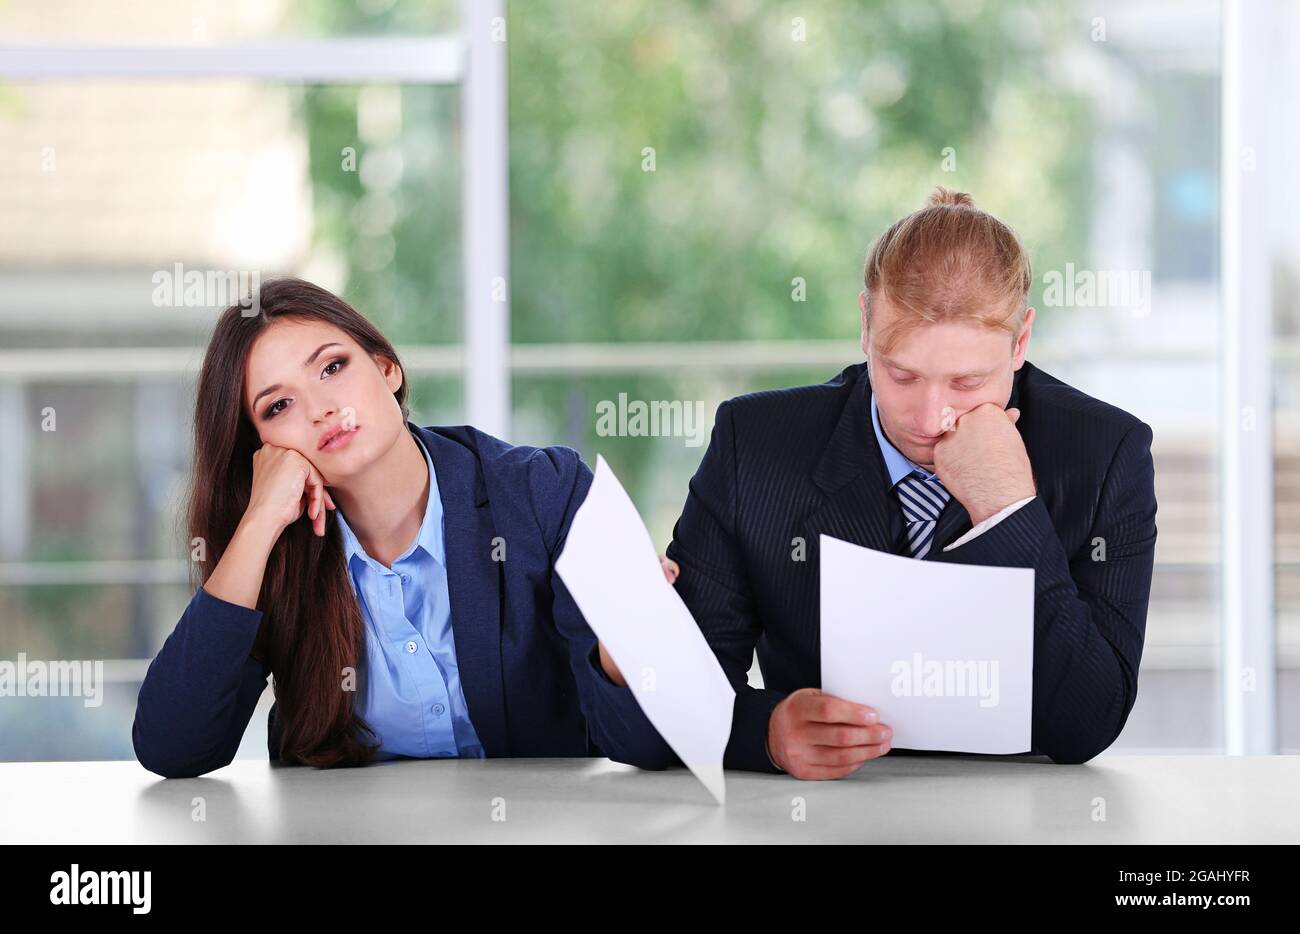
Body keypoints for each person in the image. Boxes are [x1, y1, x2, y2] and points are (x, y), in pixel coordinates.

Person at [665, 187, 1159, 779]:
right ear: (866, 327)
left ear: (1020, 343)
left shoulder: (1106, 456)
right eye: (901, 374)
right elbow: (672, 692)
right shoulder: (757, 444)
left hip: (1022, 815)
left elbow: (1090, 720)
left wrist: (1007, 510)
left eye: (968, 382)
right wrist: (765, 734)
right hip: (819, 815)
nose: (929, 418)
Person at [133, 278, 676, 778]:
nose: (321, 409)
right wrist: (257, 523)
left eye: (331, 367)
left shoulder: (543, 493)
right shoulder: (276, 550)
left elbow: (647, 747)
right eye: (278, 406)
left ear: (386, 366)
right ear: (261, 450)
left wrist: (627, 643)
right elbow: (173, 748)